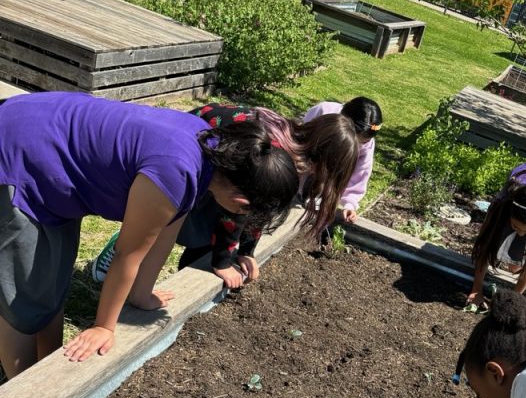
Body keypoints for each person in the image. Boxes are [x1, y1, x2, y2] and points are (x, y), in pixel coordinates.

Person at [0, 91, 298, 378]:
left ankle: (47, 368)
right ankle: (20, 387)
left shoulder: (208, 152)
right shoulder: (176, 171)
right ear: (241, 203)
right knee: (21, 302)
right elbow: (127, 255)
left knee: (50, 279)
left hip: (52, 155)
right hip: (21, 153)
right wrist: (104, 326)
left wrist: (142, 295)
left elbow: (164, 237)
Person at [92, 102, 359, 289]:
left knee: (205, 225)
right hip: (193, 151)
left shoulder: (296, 153)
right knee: (174, 215)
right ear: (322, 157)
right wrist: (221, 261)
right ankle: (124, 246)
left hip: (220, 167)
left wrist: (246, 251)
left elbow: (256, 211)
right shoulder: (277, 151)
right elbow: (240, 210)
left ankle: (175, 264)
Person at [468, 163, 526, 306]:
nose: (522, 233)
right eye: (515, 226)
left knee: (517, 265)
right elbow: (485, 246)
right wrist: (476, 289)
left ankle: (518, 255)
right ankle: (516, 240)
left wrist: (512, 300)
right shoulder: (501, 206)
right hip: (517, 190)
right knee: (503, 245)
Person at [303, 96, 383, 223]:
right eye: (357, 140)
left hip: (330, 173)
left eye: (364, 142)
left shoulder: (367, 143)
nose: (358, 145)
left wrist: (349, 204)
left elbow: (360, 174)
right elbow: (301, 142)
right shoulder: (323, 112)